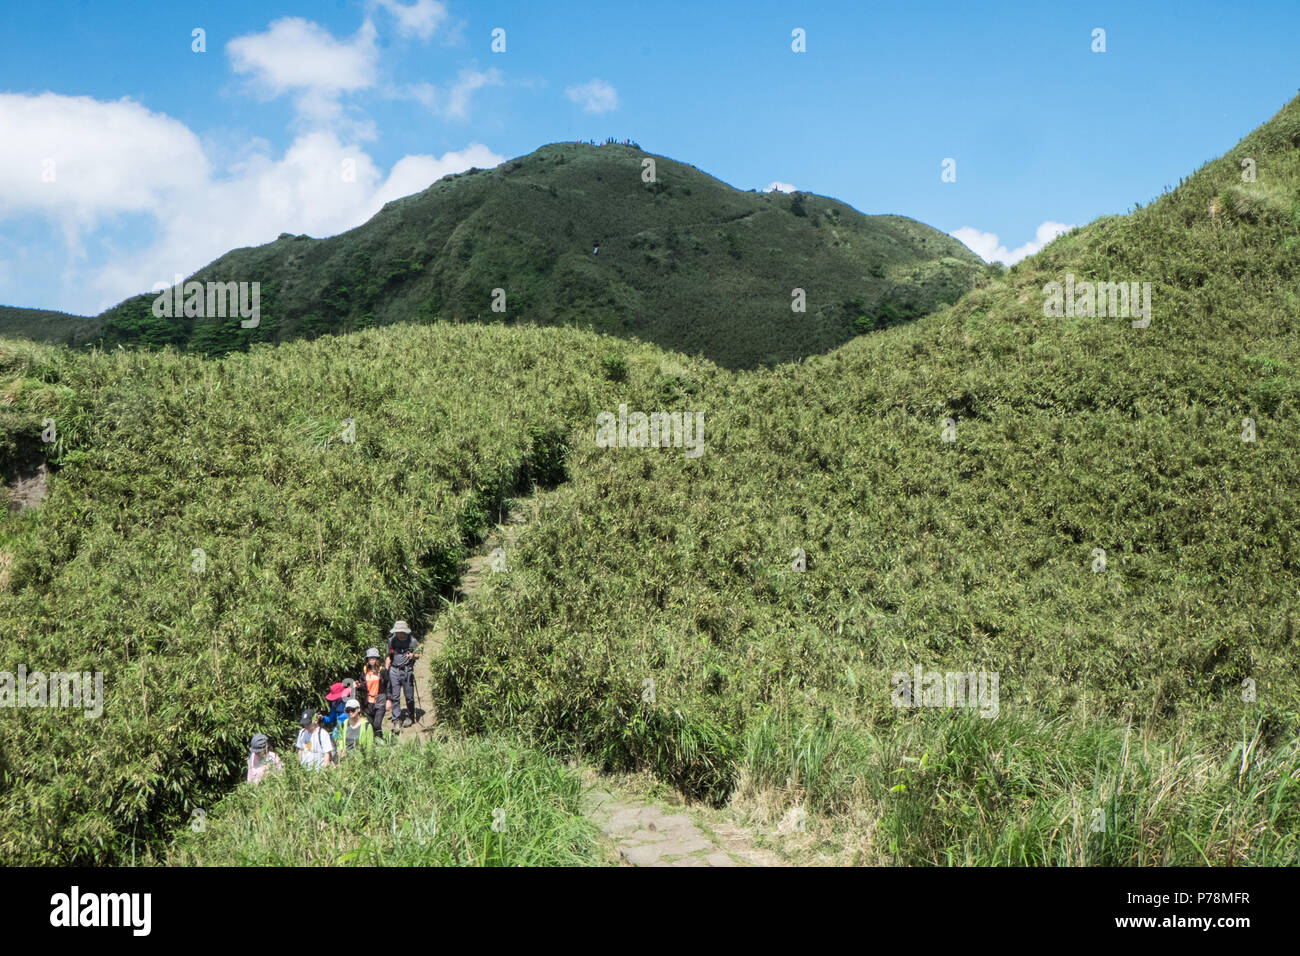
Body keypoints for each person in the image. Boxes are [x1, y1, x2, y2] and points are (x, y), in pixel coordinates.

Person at [386, 620, 420, 730]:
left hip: (407, 671)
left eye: (400, 632)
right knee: (395, 696)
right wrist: (386, 667)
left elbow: (418, 654)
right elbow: (388, 655)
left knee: (409, 696)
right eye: (397, 632)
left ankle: (410, 716)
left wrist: (413, 655)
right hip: (394, 670)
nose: (399, 634)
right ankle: (396, 719)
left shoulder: (412, 641)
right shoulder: (392, 640)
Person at [360, 647, 390, 739]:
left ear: (377, 659)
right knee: (371, 725)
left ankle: (380, 741)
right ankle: (377, 744)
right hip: (368, 701)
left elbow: (388, 685)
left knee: (377, 724)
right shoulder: (365, 671)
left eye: (374, 658)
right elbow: (363, 685)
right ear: (367, 660)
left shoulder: (383, 670)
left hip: (380, 699)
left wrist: (389, 700)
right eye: (370, 658)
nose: (372, 660)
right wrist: (358, 686)